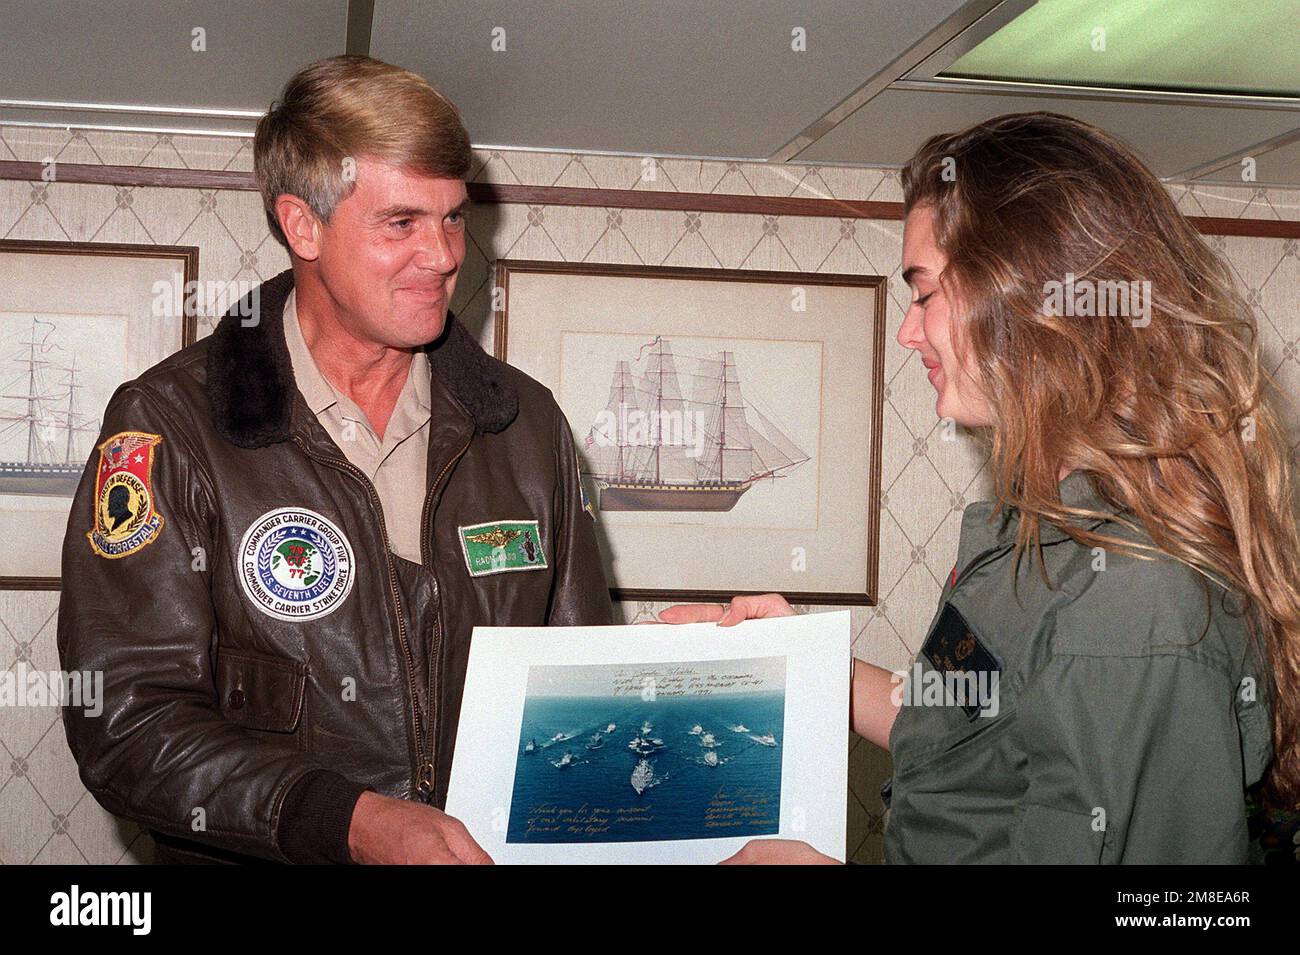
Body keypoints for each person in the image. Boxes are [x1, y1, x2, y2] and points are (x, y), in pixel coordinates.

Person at [663, 112, 1300, 864]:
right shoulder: (1037, 530)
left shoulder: (1135, 595)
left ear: (1028, 298)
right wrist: (801, 660)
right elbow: (956, 721)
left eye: (925, 293)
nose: (908, 332)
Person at [57, 55, 610, 865]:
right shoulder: (168, 427)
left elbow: (581, 687)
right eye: (402, 223)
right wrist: (347, 819)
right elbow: (126, 721)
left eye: (453, 218)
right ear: (301, 224)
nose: (444, 255)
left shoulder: (526, 427)